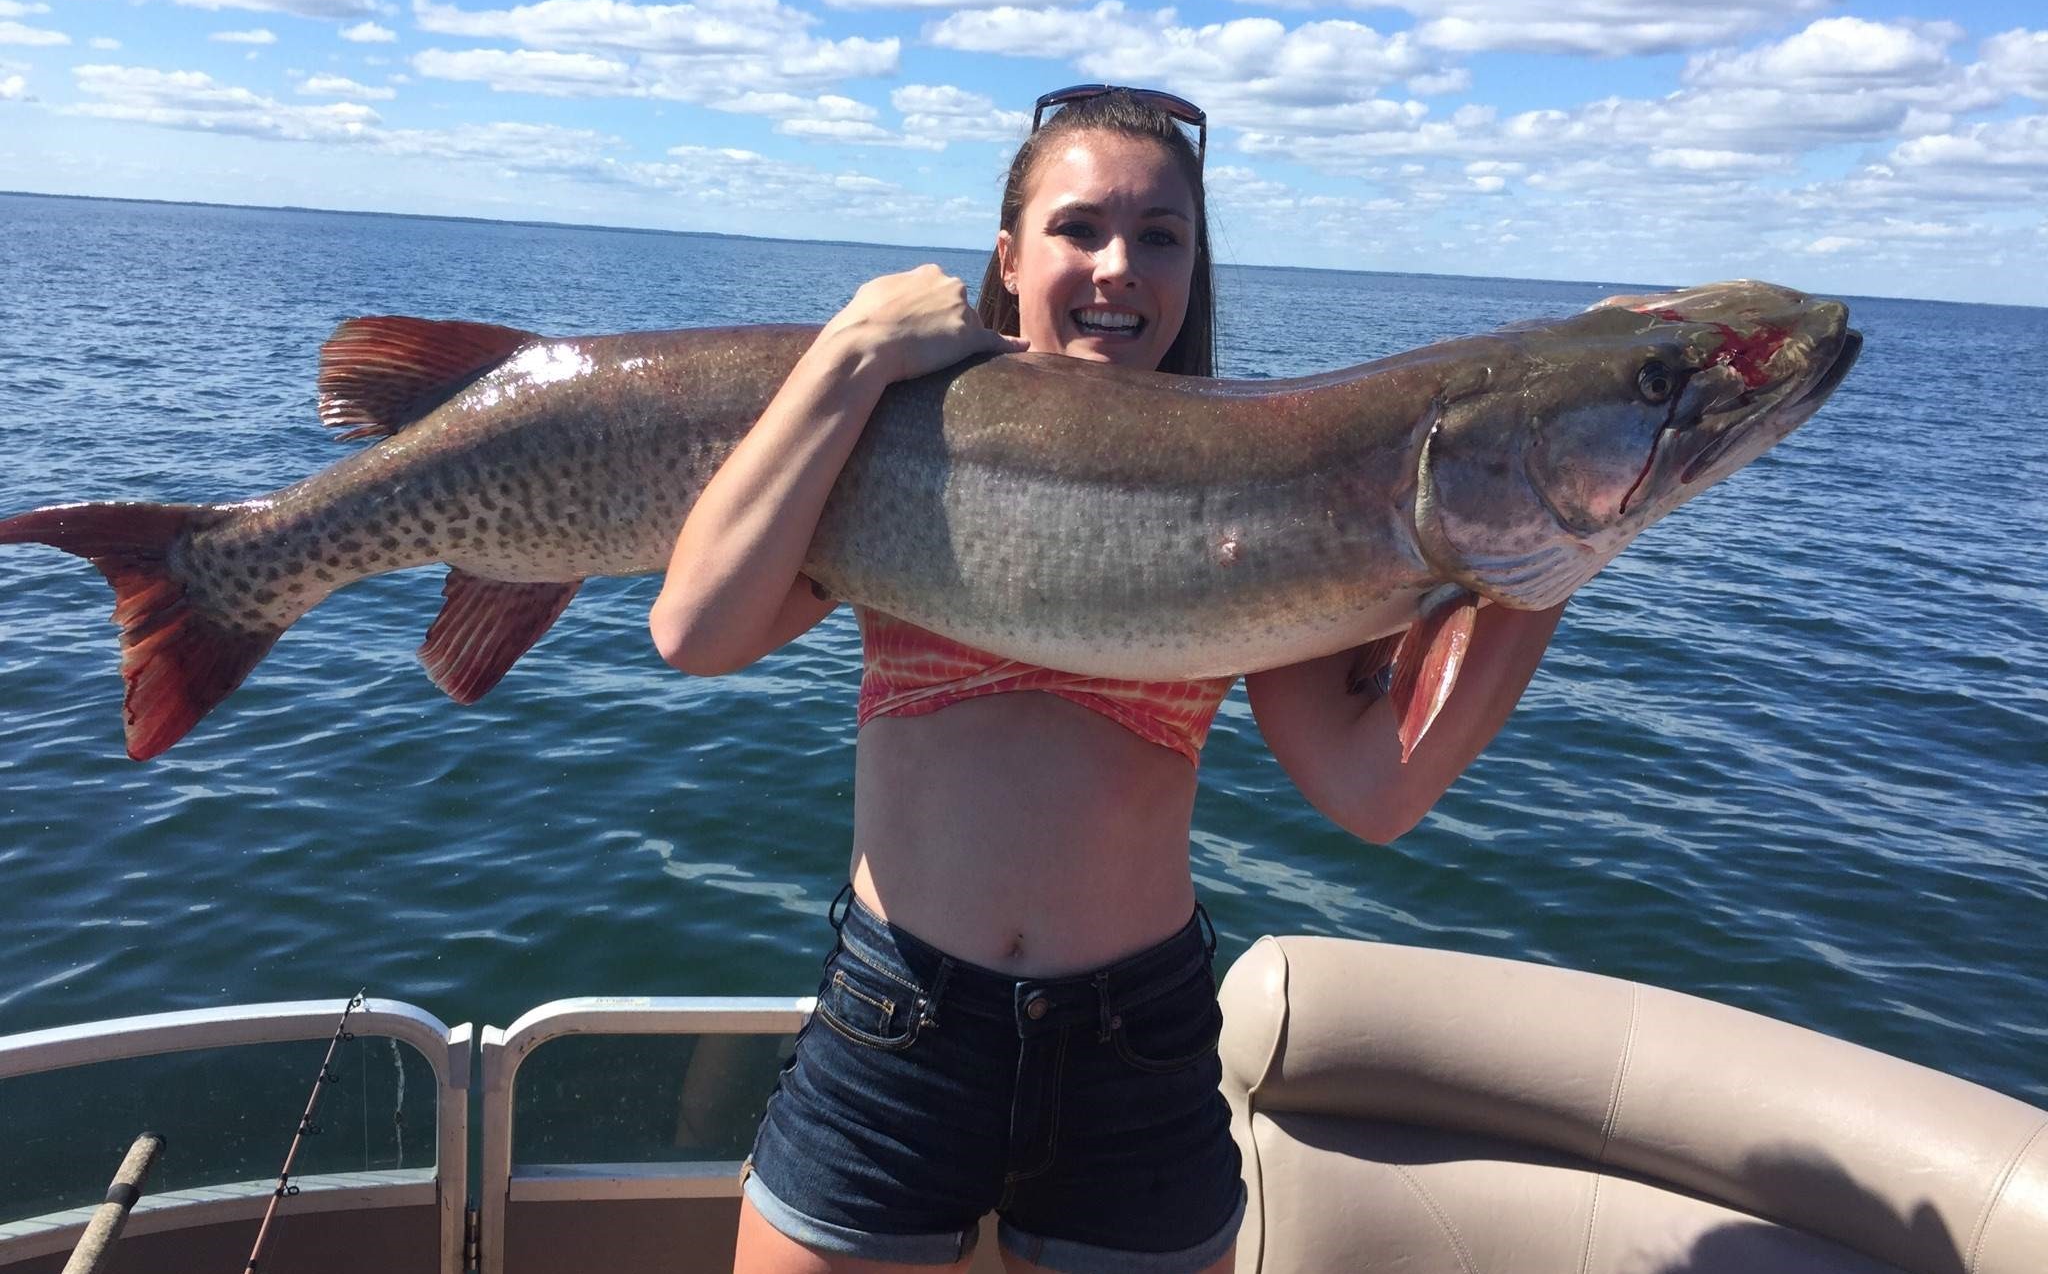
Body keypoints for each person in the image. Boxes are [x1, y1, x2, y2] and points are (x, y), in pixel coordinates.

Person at [650, 85, 1566, 1274]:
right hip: (898, 1019)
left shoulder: (1261, 484)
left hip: (1136, 1046)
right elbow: (694, 629)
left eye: (1160, 235)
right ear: (1008, 255)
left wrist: (1550, 551)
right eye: (1079, 228)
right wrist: (850, 357)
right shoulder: (897, 436)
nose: (1118, 265)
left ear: (1196, 264)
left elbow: (1370, 786)